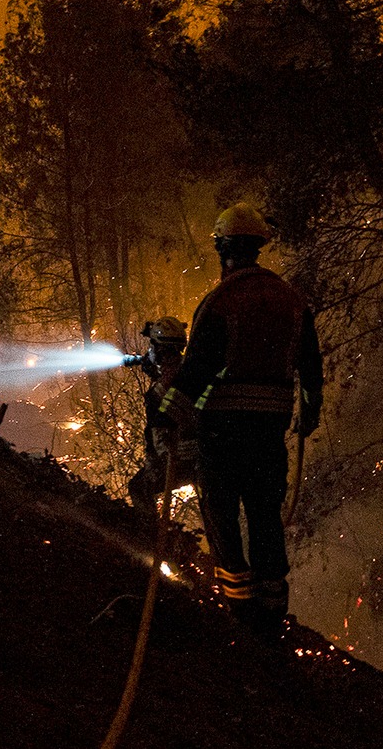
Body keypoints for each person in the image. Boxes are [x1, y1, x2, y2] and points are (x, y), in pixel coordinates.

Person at [161, 203, 322, 633]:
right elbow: (311, 366)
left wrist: (166, 415)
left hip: (223, 432)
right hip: (270, 434)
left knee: (221, 513)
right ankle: (273, 610)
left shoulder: (221, 302)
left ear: (223, 248)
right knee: (266, 515)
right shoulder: (293, 301)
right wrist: (310, 411)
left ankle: (241, 610)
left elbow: (195, 369)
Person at [123, 316, 195, 512]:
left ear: (160, 348)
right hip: (199, 456)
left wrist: (155, 465)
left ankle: (151, 536)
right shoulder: (189, 373)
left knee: (139, 487)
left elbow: (158, 430)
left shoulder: (163, 387)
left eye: (153, 346)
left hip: (177, 459)